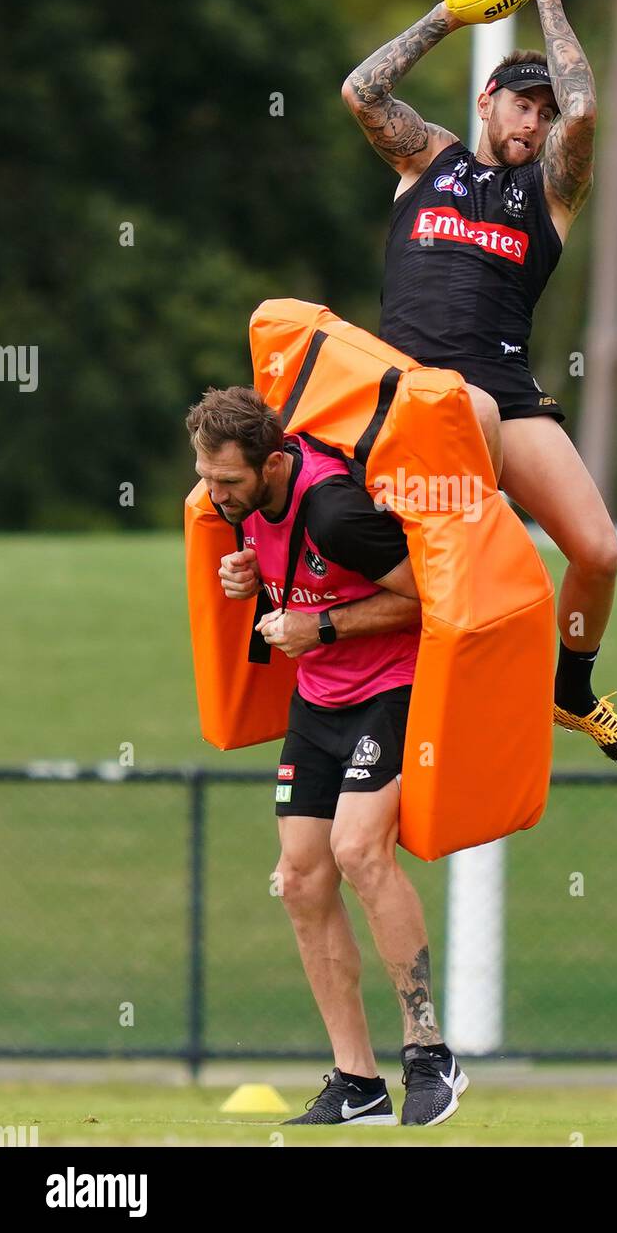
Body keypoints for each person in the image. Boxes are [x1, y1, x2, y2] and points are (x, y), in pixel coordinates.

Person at [341, 0, 617, 764]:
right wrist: (449, 14)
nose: (537, 121)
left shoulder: (549, 192)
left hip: (504, 394)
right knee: (460, 449)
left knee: (598, 551)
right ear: (486, 101)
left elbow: (586, 110)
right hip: (412, 391)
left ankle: (571, 691)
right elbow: (361, 91)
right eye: (524, 104)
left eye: (543, 112)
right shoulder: (430, 162)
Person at [185, 385, 468, 1126]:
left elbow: (425, 599)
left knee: (359, 853)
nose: (214, 497)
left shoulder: (337, 510)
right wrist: (252, 580)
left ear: (275, 463)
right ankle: (357, 1082)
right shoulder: (246, 504)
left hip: (390, 688)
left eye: (229, 483)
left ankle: (429, 1055)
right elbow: (294, 578)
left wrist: (324, 627)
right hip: (318, 702)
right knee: (302, 879)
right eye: (206, 479)